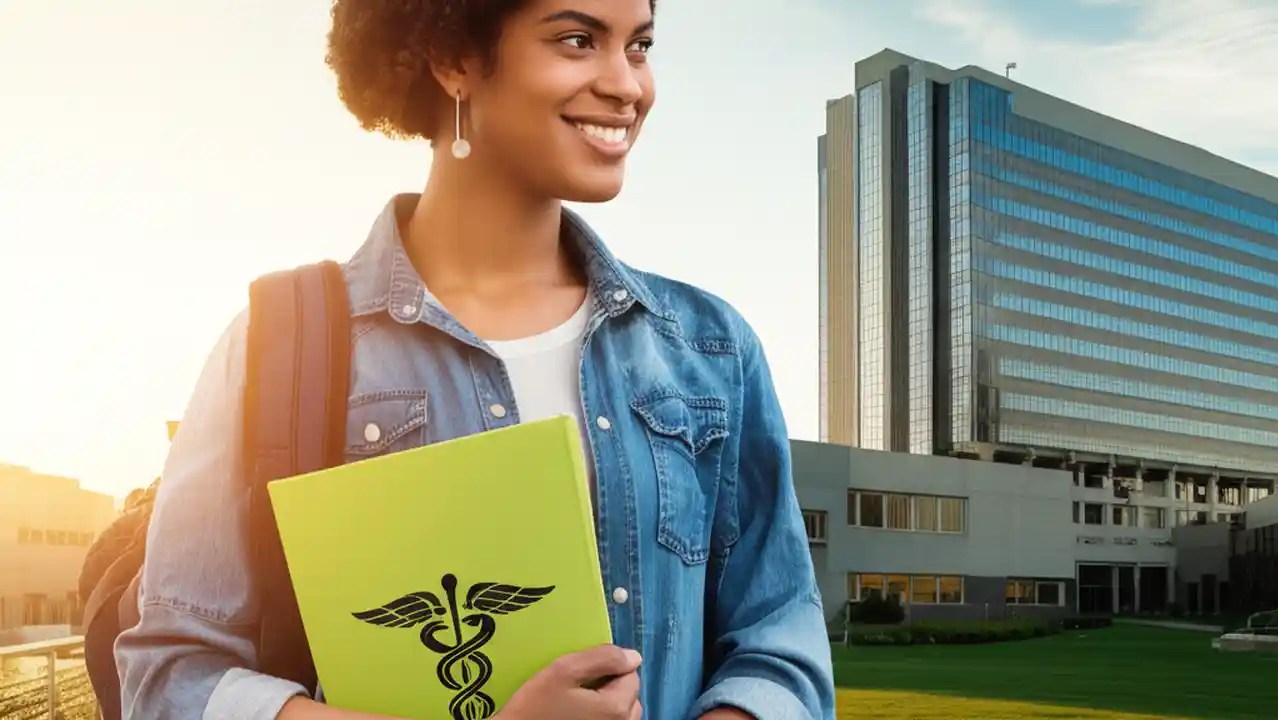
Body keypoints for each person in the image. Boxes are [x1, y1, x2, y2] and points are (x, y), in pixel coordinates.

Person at [114, 1, 836, 718]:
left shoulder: (708, 348)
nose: (628, 85)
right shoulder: (279, 343)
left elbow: (781, 640)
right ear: (453, 58)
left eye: (639, 46)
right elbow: (173, 676)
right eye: (578, 39)